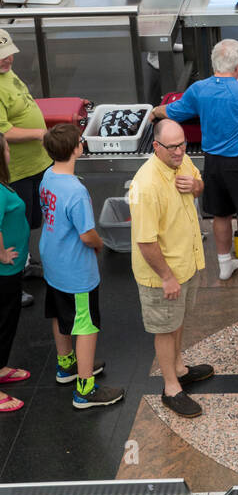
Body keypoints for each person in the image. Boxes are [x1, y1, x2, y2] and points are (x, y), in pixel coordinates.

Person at [151, 39, 238, 282]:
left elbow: (174, 110)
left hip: (213, 164)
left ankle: (224, 264)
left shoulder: (199, 89)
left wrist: (156, 111)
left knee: (221, 215)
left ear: (213, 64)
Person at [129, 118, 210, 419]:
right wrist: (166, 277)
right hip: (163, 273)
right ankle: (171, 387)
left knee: (177, 320)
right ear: (156, 146)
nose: (179, 152)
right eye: (172, 147)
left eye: (183, 145)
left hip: (186, 262)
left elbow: (199, 187)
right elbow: (145, 241)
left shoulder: (182, 161)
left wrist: (196, 185)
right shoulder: (146, 185)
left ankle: (179, 367)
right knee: (164, 328)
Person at [39, 123, 124, 410]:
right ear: (76, 148)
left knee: (59, 313)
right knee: (86, 325)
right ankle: (85, 389)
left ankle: (66, 366)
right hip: (76, 271)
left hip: (53, 262)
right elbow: (87, 235)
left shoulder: (47, 177)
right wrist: (100, 244)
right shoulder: (76, 191)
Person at [0, 29, 50, 253]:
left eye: (9, 53)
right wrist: (40, 134)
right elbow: (4, 131)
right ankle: (17, 267)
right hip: (18, 171)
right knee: (18, 223)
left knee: (34, 219)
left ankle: (26, 259)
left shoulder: (6, 72)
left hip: (38, 162)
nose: (7, 59)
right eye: (0, 55)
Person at [0, 133, 29, 414]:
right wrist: (2, 254)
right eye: (7, 148)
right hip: (3, 270)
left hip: (10, 271)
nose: (10, 151)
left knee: (8, 321)